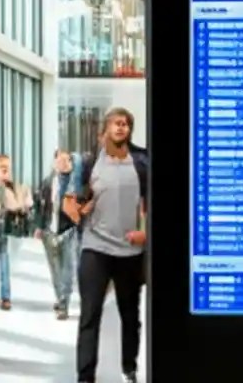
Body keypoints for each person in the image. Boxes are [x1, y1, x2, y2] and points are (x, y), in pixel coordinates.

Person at [76, 107, 148, 383]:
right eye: (116, 124)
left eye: (126, 124)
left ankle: (129, 369)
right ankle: (85, 376)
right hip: (95, 247)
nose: (121, 128)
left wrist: (145, 233)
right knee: (89, 314)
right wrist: (79, 207)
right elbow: (76, 201)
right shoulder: (90, 161)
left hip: (130, 250)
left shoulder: (141, 160)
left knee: (130, 316)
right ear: (105, 130)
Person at [36, 149, 81, 320]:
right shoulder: (48, 182)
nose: (63, 163)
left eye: (66, 160)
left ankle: (64, 303)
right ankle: (59, 296)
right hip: (49, 231)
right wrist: (39, 227)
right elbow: (40, 205)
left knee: (67, 269)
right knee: (55, 269)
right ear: (54, 162)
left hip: (68, 230)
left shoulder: (73, 183)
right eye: (59, 160)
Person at [0, 152, 31, 310]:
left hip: (7, 229)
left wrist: (10, 189)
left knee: (5, 264)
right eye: (1, 167)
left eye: (6, 168)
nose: (4, 171)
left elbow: (21, 206)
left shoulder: (15, 186)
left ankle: (5, 297)